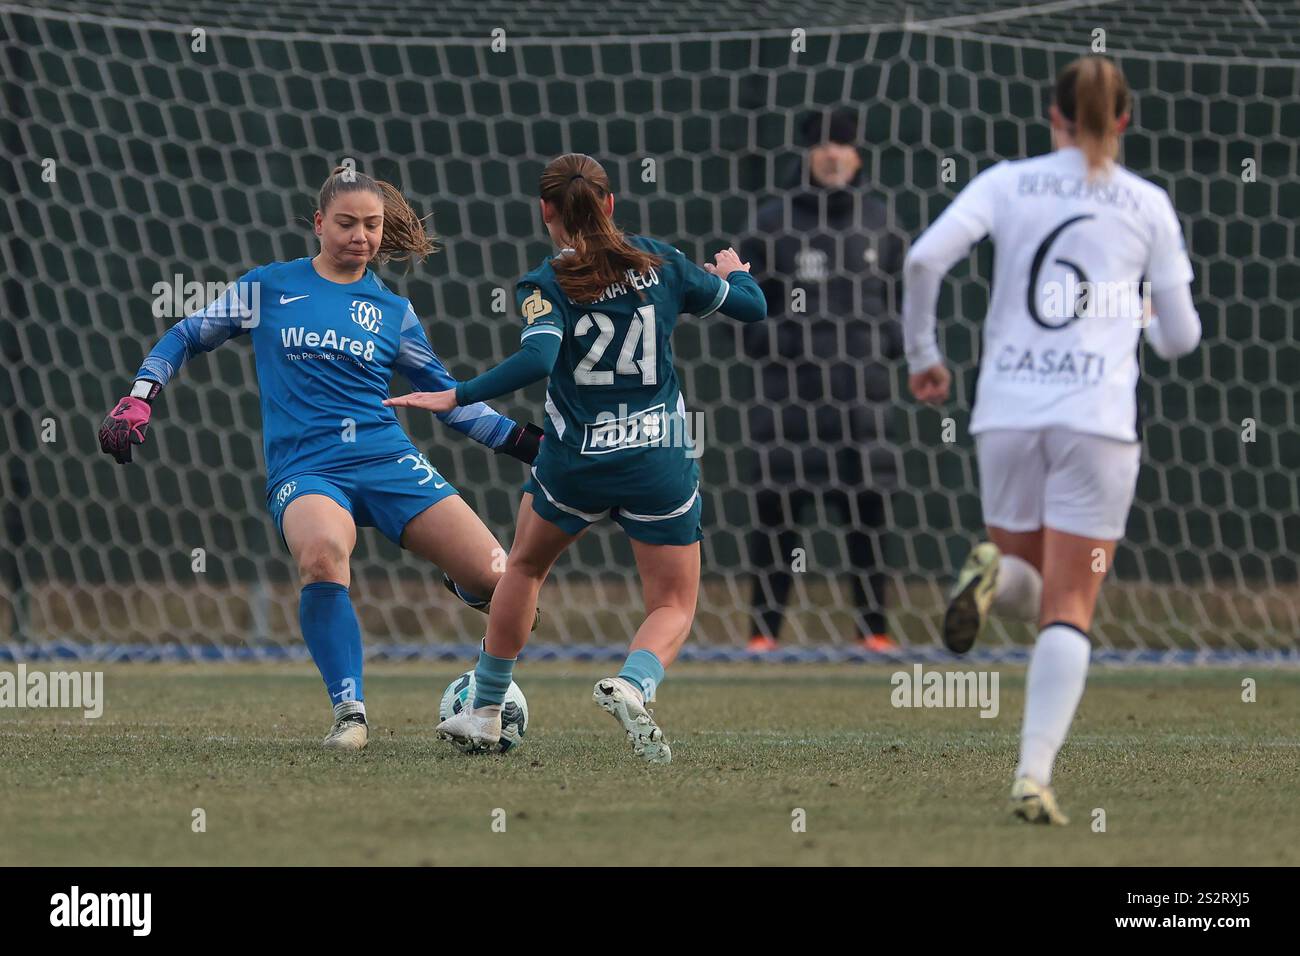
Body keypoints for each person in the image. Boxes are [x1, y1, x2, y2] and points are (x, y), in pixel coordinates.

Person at [98, 166, 542, 752]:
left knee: (506, 586)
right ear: (318, 224)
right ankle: (350, 712)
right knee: (322, 556)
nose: (361, 236)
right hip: (308, 469)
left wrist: (529, 444)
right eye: (347, 223)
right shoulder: (268, 288)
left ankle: (465, 588)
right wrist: (140, 395)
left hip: (387, 460)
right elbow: (185, 335)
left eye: (373, 225)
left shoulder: (394, 313)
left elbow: (448, 402)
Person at [385, 153, 767, 763]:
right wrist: (736, 272)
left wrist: (457, 393)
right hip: (657, 458)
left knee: (525, 572)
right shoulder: (661, 262)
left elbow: (538, 361)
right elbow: (753, 307)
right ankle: (633, 683)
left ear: (547, 212)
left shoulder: (546, 282)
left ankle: (484, 709)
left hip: (577, 460)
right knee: (672, 603)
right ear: (611, 204)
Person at [902, 56, 1201, 823]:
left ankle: (992, 570)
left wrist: (924, 356)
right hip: (1096, 424)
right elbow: (1180, 340)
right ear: (1124, 120)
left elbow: (924, 257)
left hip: (1006, 414)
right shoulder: (1147, 203)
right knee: (1071, 602)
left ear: (1053, 115)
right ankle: (1033, 775)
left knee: (1026, 582)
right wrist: (1137, 313)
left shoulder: (1009, 181)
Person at [741, 108, 905, 654]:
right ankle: (762, 634)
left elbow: (903, 303)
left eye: (845, 144)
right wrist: (781, 347)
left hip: (862, 405)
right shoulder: (772, 222)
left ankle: (873, 631)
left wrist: (884, 349)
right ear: (809, 153)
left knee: (868, 517)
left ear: (858, 155)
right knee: (776, 521)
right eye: (825, 144)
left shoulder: (881, 222)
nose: (835, 154)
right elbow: (743, 306)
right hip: (788, 404)